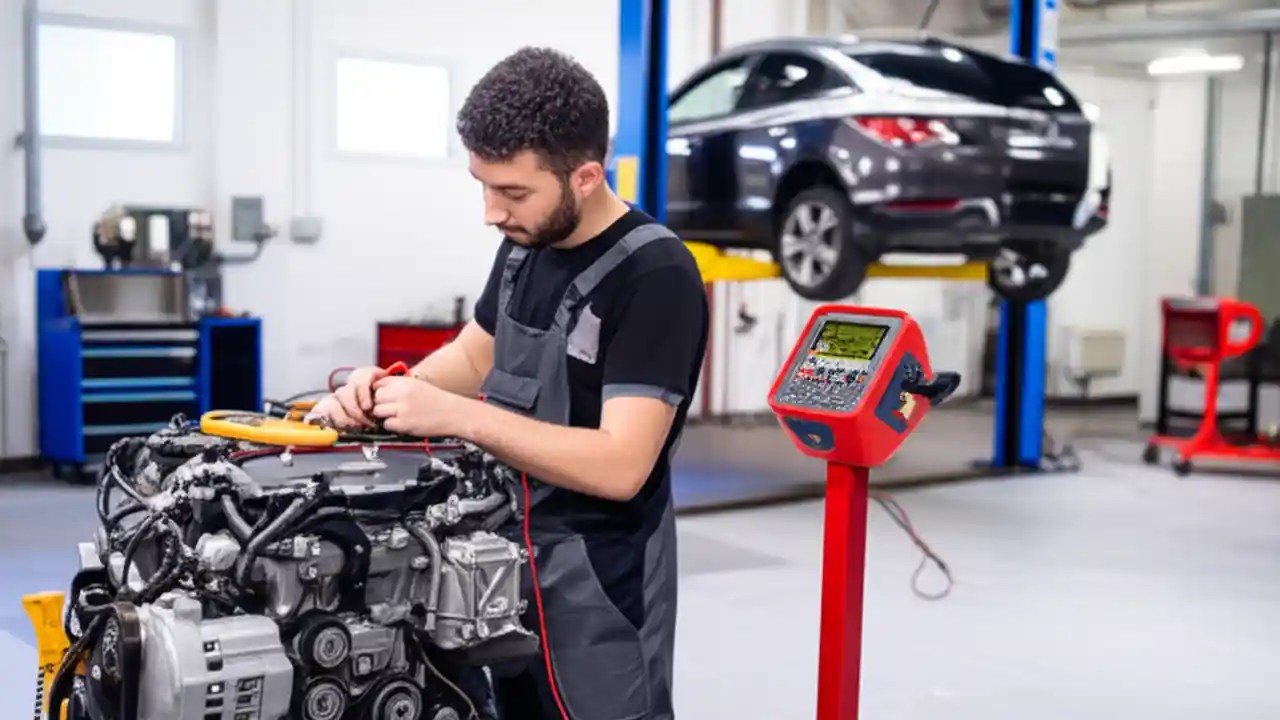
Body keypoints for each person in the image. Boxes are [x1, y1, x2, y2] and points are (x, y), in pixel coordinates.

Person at [310, 46, 709, 719]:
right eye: (483, 185)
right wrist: (385, 392)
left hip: (599, 591)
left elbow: (622, 465)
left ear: (585, 176)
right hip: (495, 568)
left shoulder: (655, 276)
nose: (492, 212)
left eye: (513, 192)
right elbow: (475, 356)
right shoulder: (526, 245)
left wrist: (458, 417)